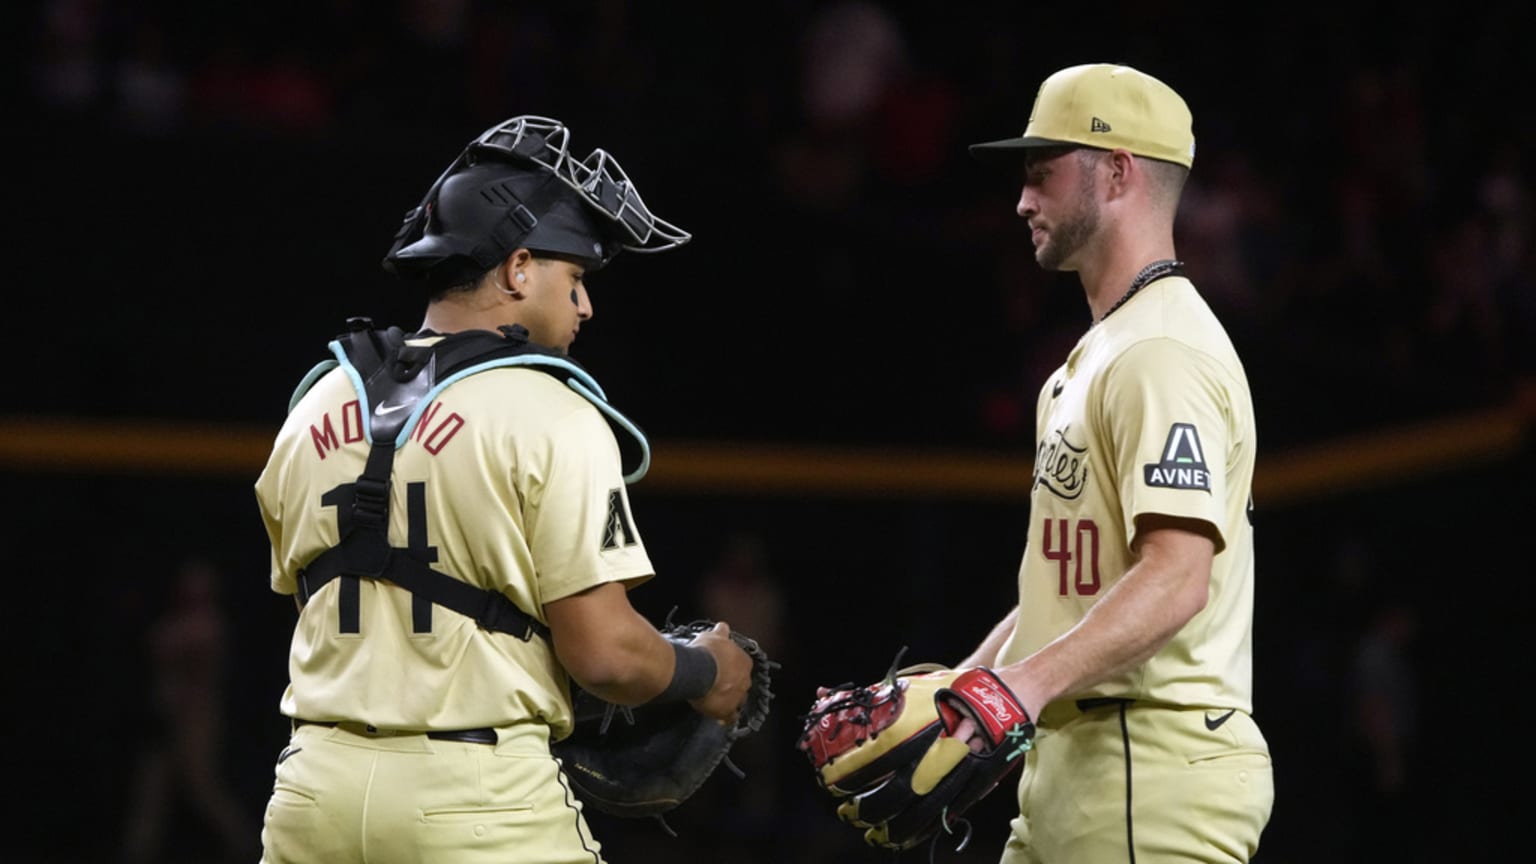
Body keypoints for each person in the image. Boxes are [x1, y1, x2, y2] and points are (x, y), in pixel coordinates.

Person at [253, 115, 755, 864]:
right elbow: (607, 656)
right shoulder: (551, 408)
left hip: (310, 794)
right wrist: (708, 671)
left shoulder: (317, 400)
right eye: (575, 277)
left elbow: (317, 598)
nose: (584, 306)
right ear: (519, 268)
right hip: (478, 803)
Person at [959, 63, 1275, 862]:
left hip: (1148, 763)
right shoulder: (1105, 350)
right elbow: (1081, 591)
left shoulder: (1162, 349)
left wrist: (1022, 688)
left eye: (1044, 171)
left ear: (1118, 170)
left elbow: (1175, 576)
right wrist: (966, 685)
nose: (1024, 199)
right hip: (1084, 766)